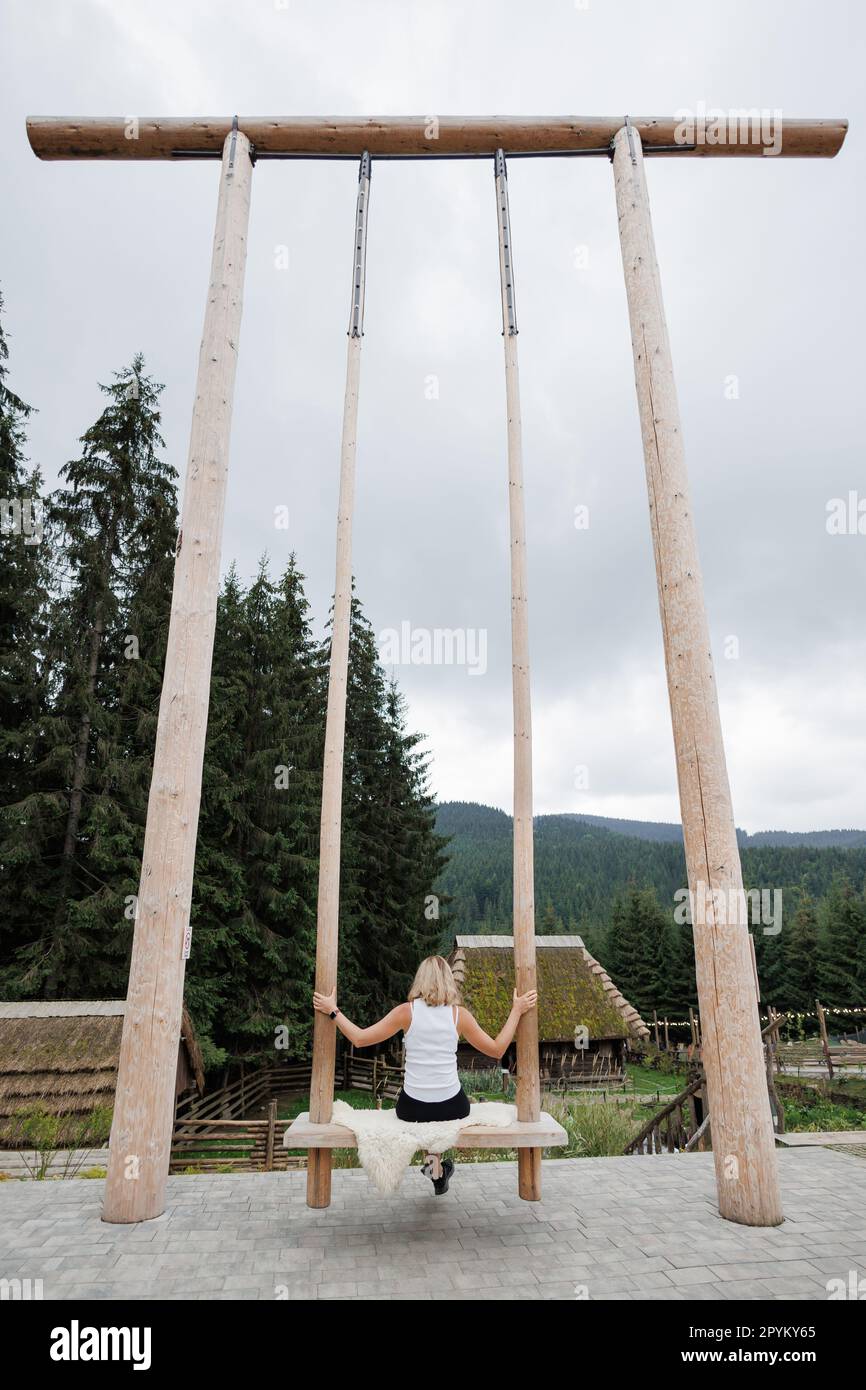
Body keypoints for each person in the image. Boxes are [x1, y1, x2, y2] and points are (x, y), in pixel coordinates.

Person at [313, 954, 537, 1194]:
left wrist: (332, 1010)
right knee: (439, 1115)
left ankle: (437, 1170)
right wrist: (517, 1010)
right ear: (449, 981)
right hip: (453, 1106)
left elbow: (359, 1038)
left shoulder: (405, 1012)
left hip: (413, 1109)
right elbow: (497, 1049)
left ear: (420, 980)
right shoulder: (459, 1016)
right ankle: (437, 1170)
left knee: (426, 1116)